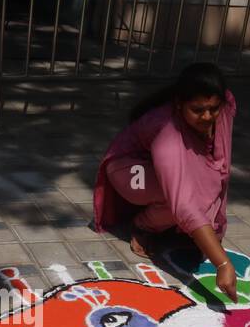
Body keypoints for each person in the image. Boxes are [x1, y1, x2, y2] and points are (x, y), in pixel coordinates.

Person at [92, 62, 239, 302]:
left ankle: (171, 225)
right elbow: (182, 203)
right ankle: (144, 226)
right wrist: (222, 262)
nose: (207, 116)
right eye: (198, 109)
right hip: (130, 172)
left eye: (213, 109)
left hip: (155, 170)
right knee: (183, 194)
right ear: (179, 104)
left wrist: (214, 228)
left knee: (203, 182)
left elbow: (220, 170)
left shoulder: (226, 107)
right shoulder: (168, 136)